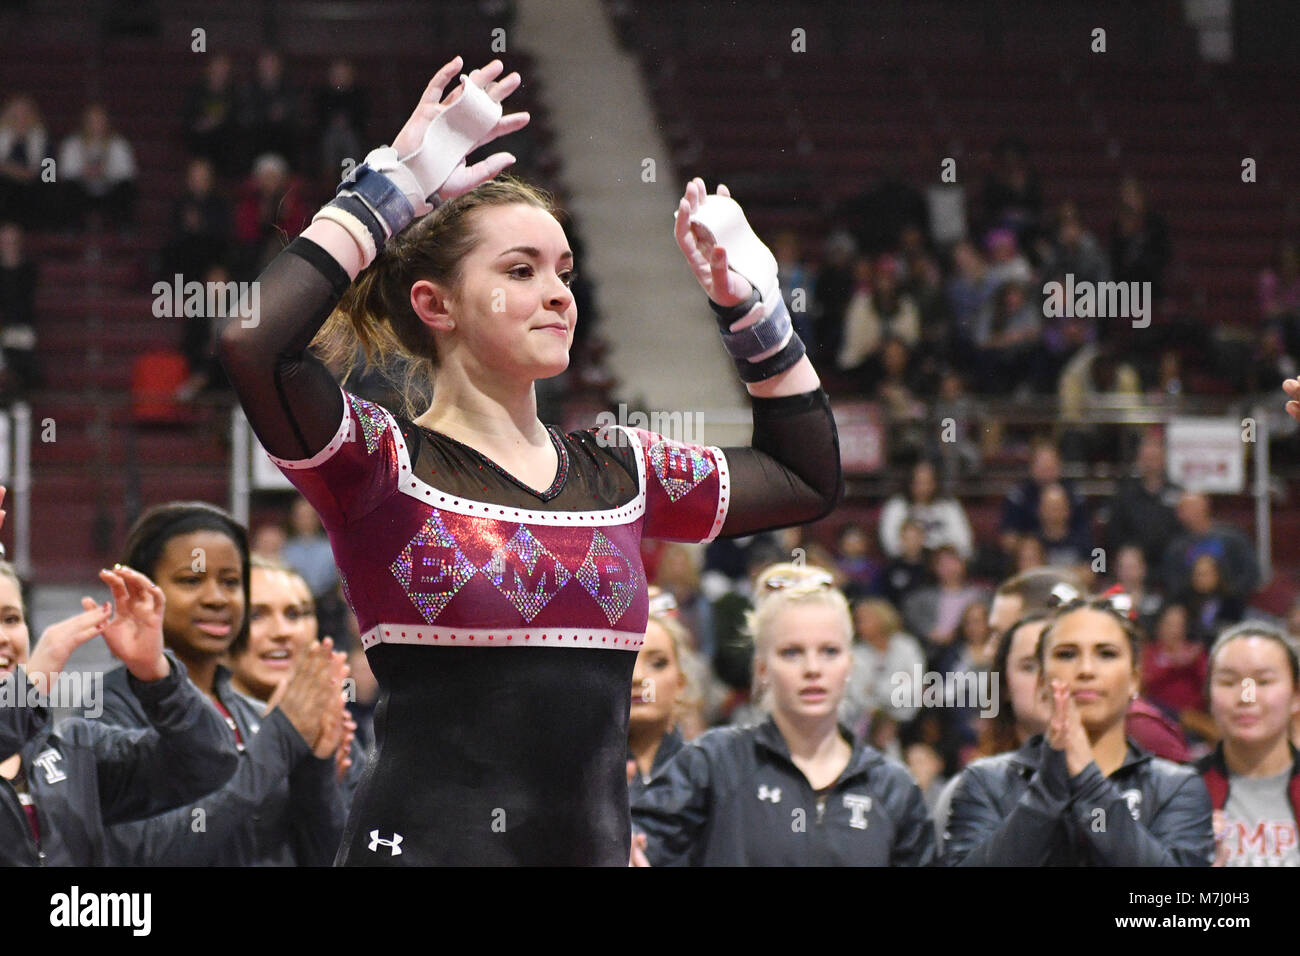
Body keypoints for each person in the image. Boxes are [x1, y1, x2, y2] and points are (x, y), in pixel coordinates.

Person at [217, 57, 841, 866]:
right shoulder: (381, 463)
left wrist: (758, 315)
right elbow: (252, 343)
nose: (559, 294)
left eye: (564, 272)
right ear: (435, 304)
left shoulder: (621, 474)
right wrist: (388, 191)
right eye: (521, 270)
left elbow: (806, 479)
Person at [96, 503, 351, 866]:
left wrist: (316, 767)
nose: (216, 598)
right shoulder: (109, 710)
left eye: (231, 582)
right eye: (191, 580)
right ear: (140, 592)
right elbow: (145, 855)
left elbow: (323, 856)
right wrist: (279, 740)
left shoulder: (251, 711)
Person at [631, 572, 933, 865]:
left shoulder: (893, 789)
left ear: (849, 665)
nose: (812, 668)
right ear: (762, 669)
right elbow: (633, 847)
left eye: (829, 651)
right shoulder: (715, 763)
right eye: (791, 653)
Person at [942, 593, 1215, 865]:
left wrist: (1088, 781)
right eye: (1067, 654)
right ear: (1041, 680)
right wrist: (1047, 791)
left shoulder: (1177, 788)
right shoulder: (985, 782)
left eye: (1106, 654)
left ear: (1134, 680)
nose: (1086, 669)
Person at [1, 554, 239, 865]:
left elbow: (210, 760)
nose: (3, 638)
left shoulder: (76, 750)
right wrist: (28, 686)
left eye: (11, 619)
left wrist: (157, 675)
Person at [1197, 622, 1300, 866]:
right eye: (1229, 682)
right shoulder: (1177, 792)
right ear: (1209, 696)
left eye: (1263, 682)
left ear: (1296, 696)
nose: (1246, 697)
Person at [627, 594, 695, 800]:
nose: (638, 678)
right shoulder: (583, 771)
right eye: (625, 664)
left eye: (657, 663)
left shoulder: (707, 773)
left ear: (680, 683)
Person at [56, 103, 137, 231]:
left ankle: (124, 227)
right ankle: (70, 227)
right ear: (84, 122)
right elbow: (65, 171)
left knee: (126, 188)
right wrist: (83, 172)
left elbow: (128, 172)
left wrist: (105, 171)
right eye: (91, 121)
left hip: (110, 190)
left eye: (100, 120)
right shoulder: (72, 143)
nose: (96, 125)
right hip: (82, 190)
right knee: (67, 188)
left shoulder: (119, 143)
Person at [878, 458, 973, 561]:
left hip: (943, 564)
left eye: (927, 482)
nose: (923, 488)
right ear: (910, 483)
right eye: (919, 482)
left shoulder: (949, 505)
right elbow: (890, 544)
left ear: (935, 483)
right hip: (910, 563)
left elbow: (964, 543)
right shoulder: (897, 505)